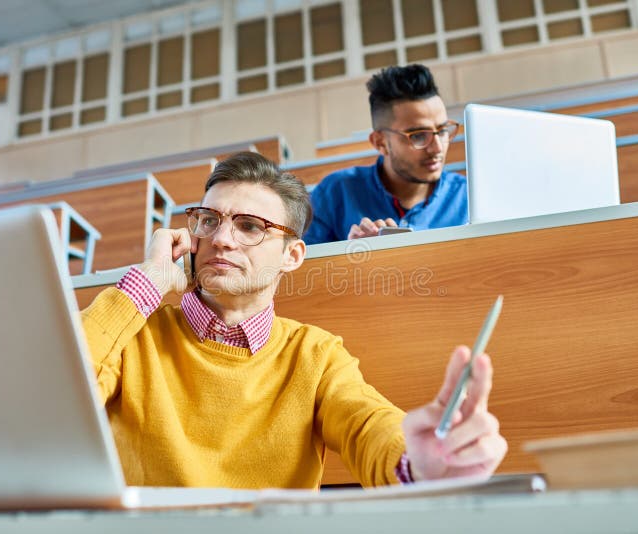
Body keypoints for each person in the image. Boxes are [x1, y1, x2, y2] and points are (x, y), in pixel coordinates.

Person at [81, 151, 506, 488]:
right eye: (208, 220)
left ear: (292, 255)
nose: (221, 239)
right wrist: (147, 284)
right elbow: (48, 386)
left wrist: (417, 463)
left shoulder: (316, 355)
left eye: (250, 226)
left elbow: (369, 425)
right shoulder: (131, 329)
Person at [304, 64, 468, 244]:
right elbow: (304, 269)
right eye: (418, 136)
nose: (437, 148)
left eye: (443, 130)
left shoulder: (468, 198)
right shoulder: (335, 192)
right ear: (380, 142)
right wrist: (352, 257)